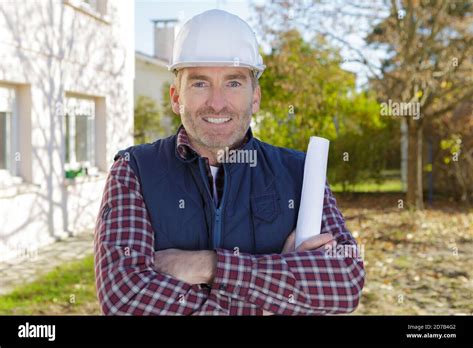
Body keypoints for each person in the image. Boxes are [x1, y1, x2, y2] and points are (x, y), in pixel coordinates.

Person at [94, 9, 365, 315]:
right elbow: (125, 299)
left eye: (233, 83)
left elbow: (343, 285)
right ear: (175, 97)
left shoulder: (300, 174)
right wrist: (280, 283)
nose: (217, 102)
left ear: (255, 98)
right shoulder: (134, 170)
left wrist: (208, 265)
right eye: (200, 84)